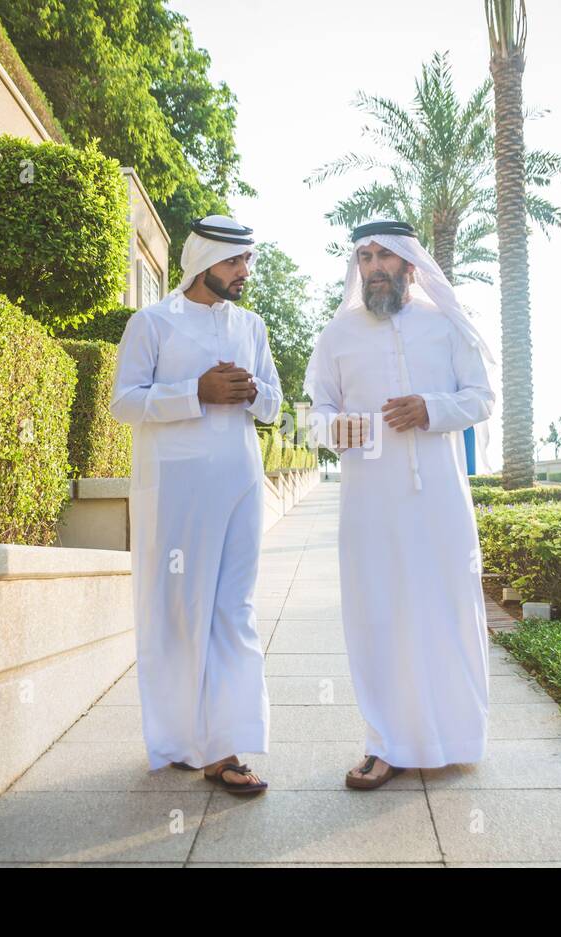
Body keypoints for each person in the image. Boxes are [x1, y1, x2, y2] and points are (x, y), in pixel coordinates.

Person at [304, 219, 498, 789]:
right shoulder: (335, 336)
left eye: (384, 257)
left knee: (445, 609)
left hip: (438, 499)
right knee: (378, 614)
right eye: (364, 258)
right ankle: (385, 743)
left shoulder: (447, 327)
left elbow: (481, 398)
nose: (374, 267)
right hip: (369, 503)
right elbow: (312, 413)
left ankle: (454, 736)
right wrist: (335, 429)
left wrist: (430, 410)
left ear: (411, 264)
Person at [109, 214, 282, 794]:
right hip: (176, 490)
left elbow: (276, 404)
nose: (244, 272)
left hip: (240, 482)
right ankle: (184, 739)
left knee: (234, 608)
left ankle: (224, 746)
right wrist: (195, 394)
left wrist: (253, 391)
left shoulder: (251, 325)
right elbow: (125, 403)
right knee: (181, 612)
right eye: (235, 262)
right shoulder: (152, 322)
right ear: (203, 260)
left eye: (247, 261)